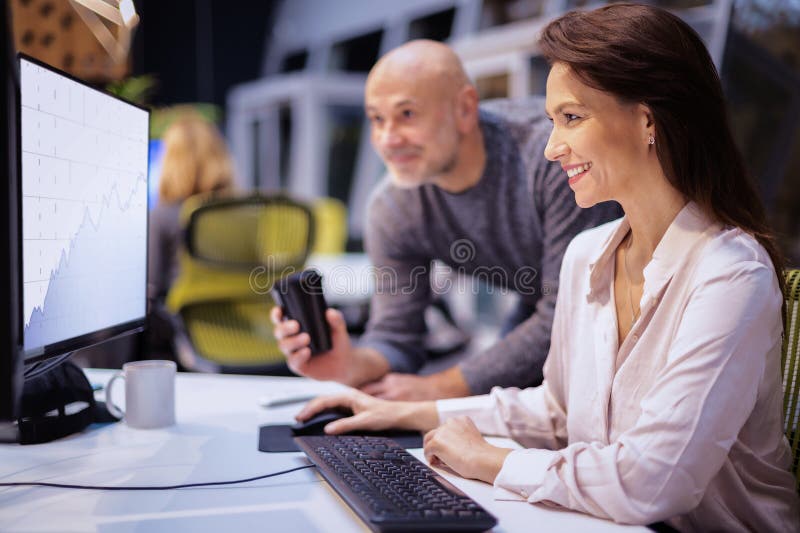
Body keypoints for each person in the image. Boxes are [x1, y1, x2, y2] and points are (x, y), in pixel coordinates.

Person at [291, 4, 800, 531]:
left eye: (572, 119)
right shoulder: (588, 255)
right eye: (553, 121)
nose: (554, 147)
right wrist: (409, 413)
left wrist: (487, 459)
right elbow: (559, 412)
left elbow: (651, 481)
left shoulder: (730, 274)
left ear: (648, 120)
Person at [271, 39, 620, 400]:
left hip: (620, 310)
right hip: (546, 307)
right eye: (377, 119)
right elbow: (396, 336)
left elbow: (569, 311)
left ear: (465, 109)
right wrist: (349, 365)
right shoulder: (393, 208)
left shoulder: (553, 157)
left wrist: (438, 388)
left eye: (406, 114)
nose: (388, 139)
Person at [146, 114, 236, 356]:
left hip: (189, 347)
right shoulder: (245, 215)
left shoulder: (162, 217)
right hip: (249, 340)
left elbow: (150, 290)